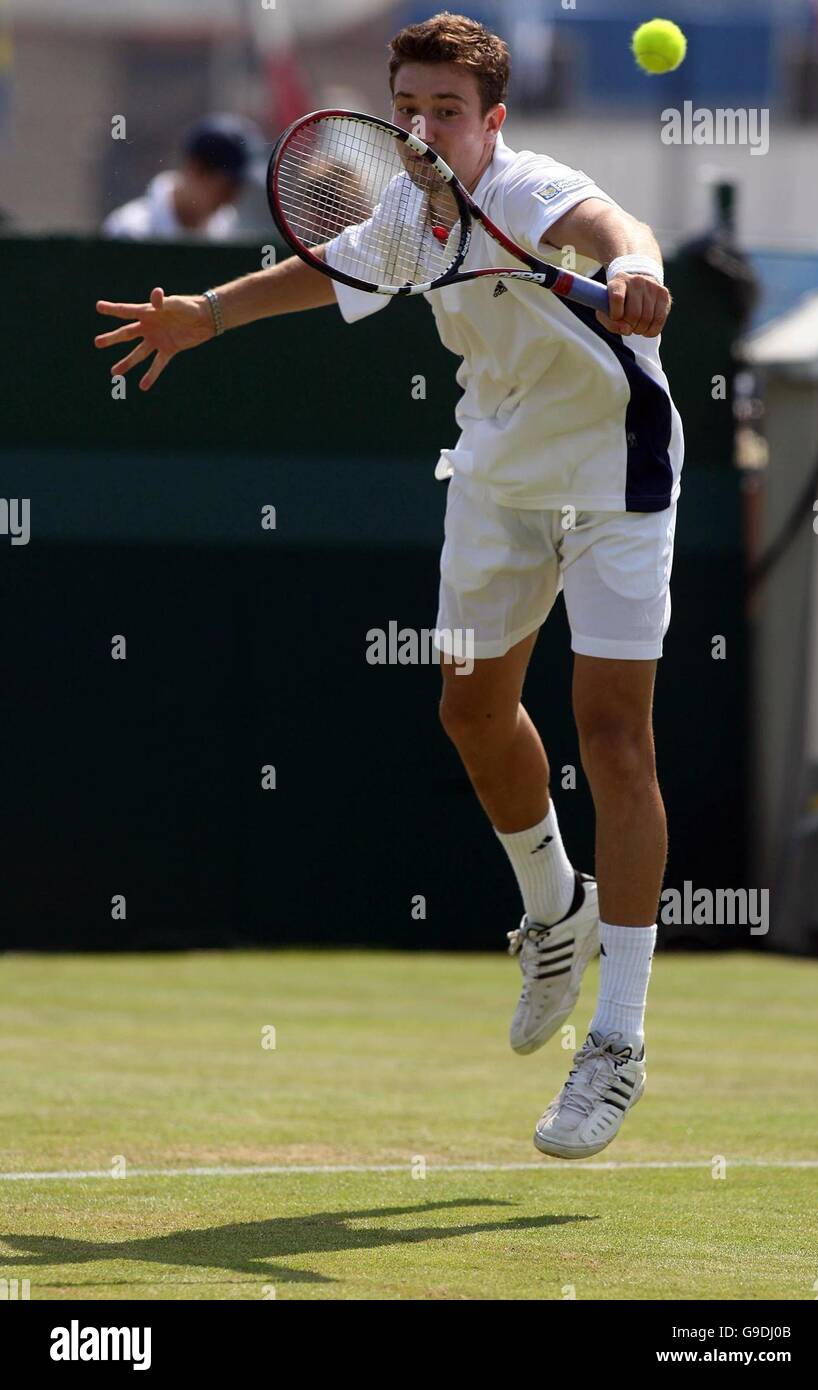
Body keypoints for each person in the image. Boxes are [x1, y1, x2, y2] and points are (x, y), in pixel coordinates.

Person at [94, 13, 682, 1161]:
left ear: (491, 121)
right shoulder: (408, 218)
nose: (420, 130)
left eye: (445, 112)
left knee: (612, 737)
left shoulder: (531, 188)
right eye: (405, 109)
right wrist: (203, 315)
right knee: (468, 711)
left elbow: (614, 223)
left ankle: (615, 1040)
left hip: (617, 475)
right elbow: (315, 275)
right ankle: (553, 909)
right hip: (498, 472)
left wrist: (640, 268)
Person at [102, 113, 263, 241]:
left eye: (239, 189)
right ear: (197, 169)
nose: (231, 199)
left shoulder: (228, 230)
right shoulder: (128, 231)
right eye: (227, 187)